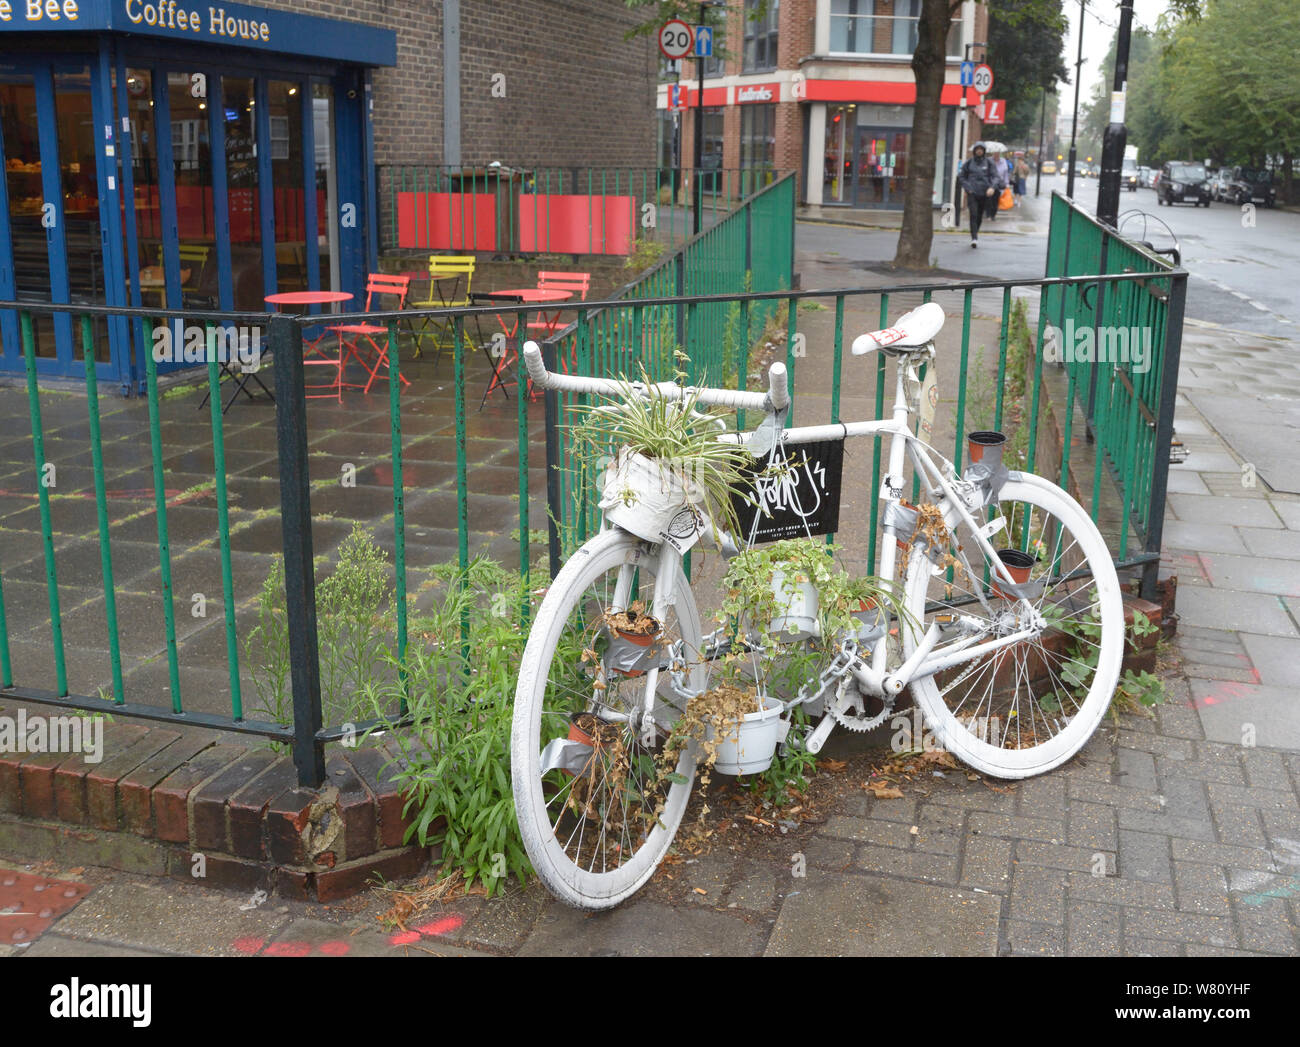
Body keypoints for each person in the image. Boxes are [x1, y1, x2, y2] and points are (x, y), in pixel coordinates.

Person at [958, 143, 998, 247]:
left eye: (981, 149)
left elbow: (995, 176)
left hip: (985, 193)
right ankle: (974, 238)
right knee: (973, 214)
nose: (979, 151)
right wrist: (968, 188)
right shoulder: (969, 163)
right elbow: (961, 176)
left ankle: (975, 233)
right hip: (972, 193)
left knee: (979, 216)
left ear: (984, 151)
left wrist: (992, 187)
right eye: (977, 149)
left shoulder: (989, 162)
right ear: (974, 150)